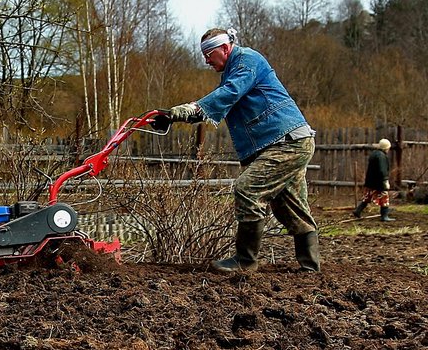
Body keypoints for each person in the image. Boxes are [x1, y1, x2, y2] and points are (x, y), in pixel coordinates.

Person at [168, 28, 320, 273]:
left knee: (247, 189)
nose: (206, 60)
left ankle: (245, 261)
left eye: (209, 54)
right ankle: (310, 266)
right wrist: (175, 116)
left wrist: (191, 108)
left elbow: (230, 93)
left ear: (225, 48)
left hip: (287, 141)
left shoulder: (247, 60)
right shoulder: (234, 71)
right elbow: (223, 103)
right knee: (290, 205)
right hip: (286, 142)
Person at [353, 139, 394, 222]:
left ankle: (358, 210)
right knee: (384, 196)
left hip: (370, 181)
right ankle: (384, 216)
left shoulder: (374, 154)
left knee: (368, 197)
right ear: (386, 148)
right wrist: (385, 180)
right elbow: (382, 170)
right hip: (379, 182)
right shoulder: (382, 156)